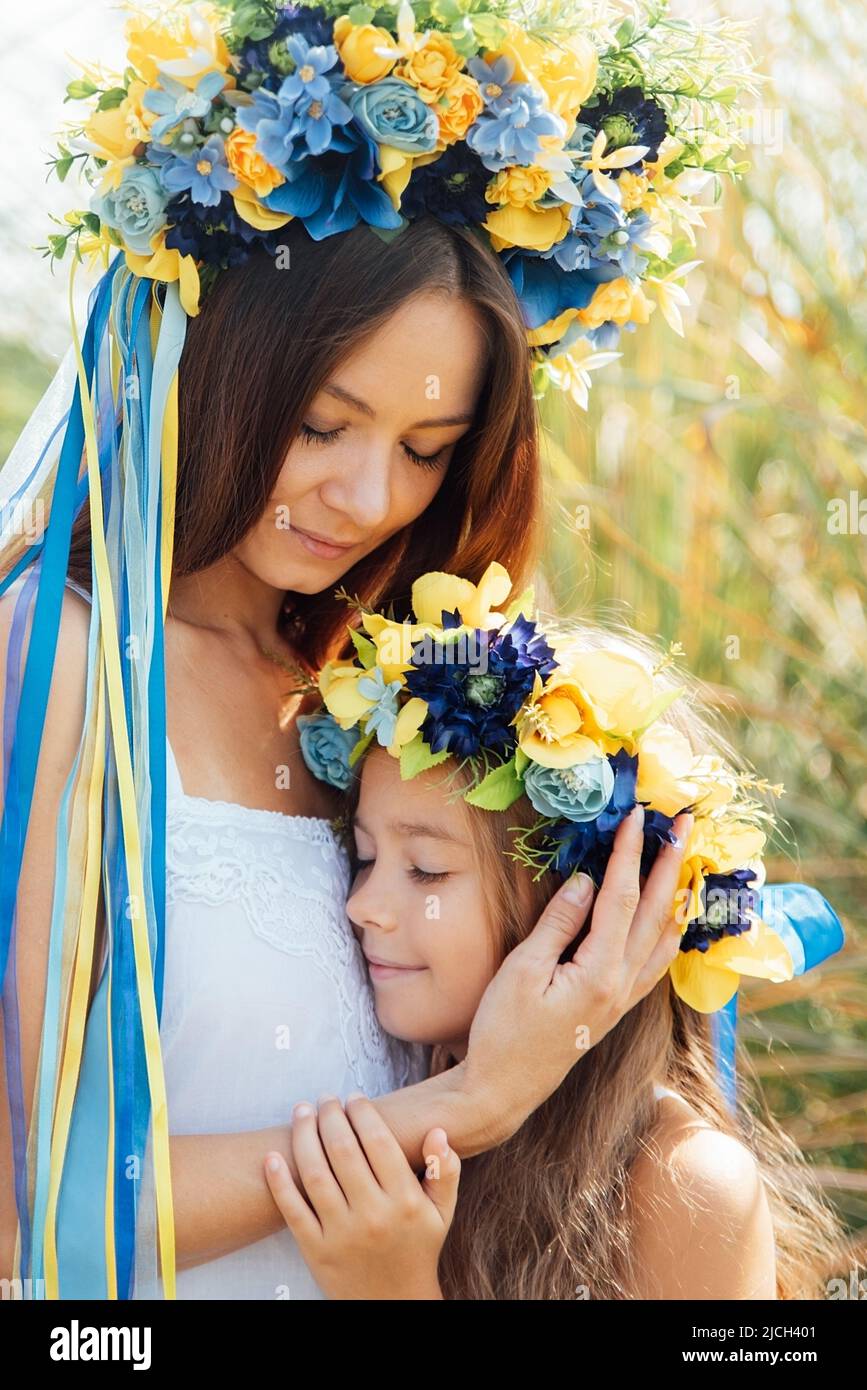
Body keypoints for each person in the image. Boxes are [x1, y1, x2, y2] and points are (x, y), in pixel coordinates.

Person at [263, 605, 846, 1299]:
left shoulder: (686, 1182)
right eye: (363, 856)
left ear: (599, 911)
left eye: (425, 870)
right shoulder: (399, 1095)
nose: (363, 905)